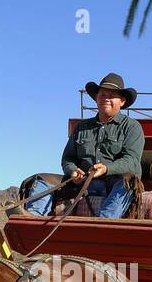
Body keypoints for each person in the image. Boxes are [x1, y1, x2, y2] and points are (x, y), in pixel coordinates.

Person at [25, 73, 144, 218]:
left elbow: (131, 161)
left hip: (112, 184)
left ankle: (102, 222)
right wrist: (73, 171)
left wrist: (106, 168)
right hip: (82, 183)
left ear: (122, 101)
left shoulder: (132, 127)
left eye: (111, 96)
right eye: (102, 95)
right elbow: (68, 158)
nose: (106, 99)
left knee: (130, 182)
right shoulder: (81, 127)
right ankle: (32, 219)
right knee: (40, 180)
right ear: (96, 99)